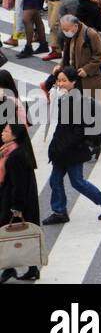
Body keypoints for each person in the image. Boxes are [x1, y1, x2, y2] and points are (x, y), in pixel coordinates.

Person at [42, 66, 101, 226]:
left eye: (64, 81)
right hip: (62, 150)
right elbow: (47, 86)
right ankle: (59, 211)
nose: (60, 84)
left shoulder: (77, 101)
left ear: (74, 82)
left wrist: (63, 146)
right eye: (59, 80)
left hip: (71, 151)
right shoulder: (64, 97)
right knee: (55, 180)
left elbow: (79, 132)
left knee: (77, 182)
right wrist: (54, 74)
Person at [0, 120, 40, 281]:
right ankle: (28, 268)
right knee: (18, 235)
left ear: (14, 136)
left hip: (14, 201)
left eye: (6, 131)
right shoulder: (9, 150)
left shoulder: (16, 156)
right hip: (11, 198)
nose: (2, 132)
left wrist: (17, 207)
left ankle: (11, 268)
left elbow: (19, 184)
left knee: (11, 233)